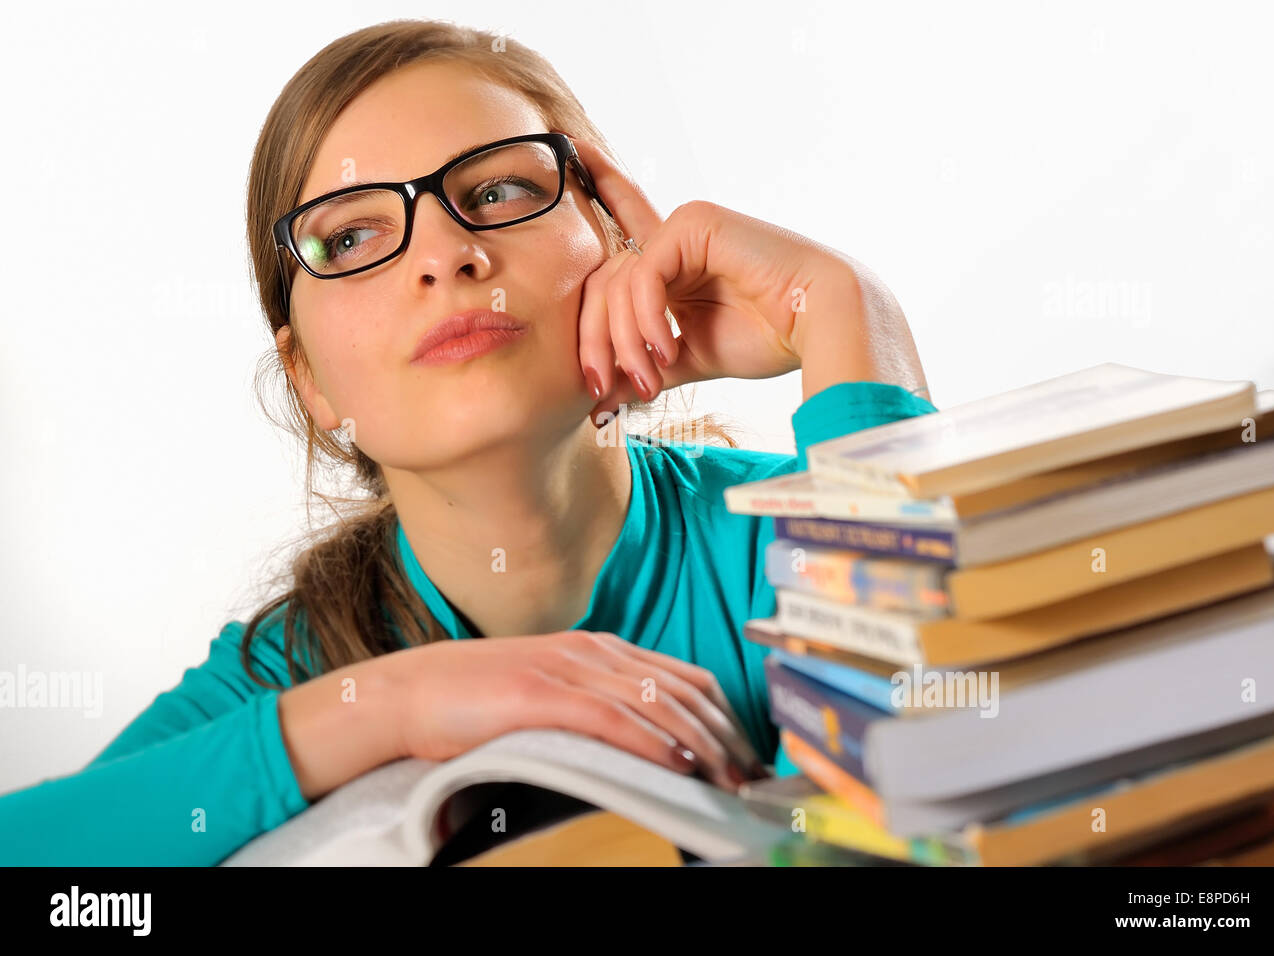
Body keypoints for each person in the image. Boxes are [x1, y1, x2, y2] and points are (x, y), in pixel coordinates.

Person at [0, 19, 934, 865]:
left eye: (495, 189)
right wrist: (402, 702)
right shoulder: (291, 669)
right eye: (354, 236)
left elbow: (955, 768)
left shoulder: (798, 536)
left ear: (617, 251)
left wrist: (845, 311)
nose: (443, 255)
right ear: (311, 381)